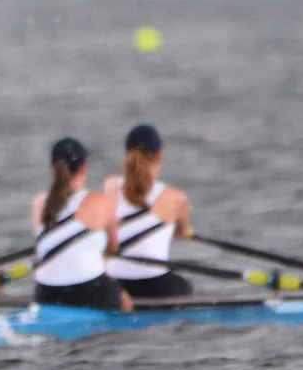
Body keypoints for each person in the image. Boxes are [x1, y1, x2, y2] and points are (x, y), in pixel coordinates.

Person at [30, 136, 130, 311]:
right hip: (90, 290)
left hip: (46, 292)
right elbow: (112, 248)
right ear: (83, 167)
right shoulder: (99, 201)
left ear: (52, 168)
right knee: (126, 301)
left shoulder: (39, 204)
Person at [104, 123, 193, 299]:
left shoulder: (110, 185)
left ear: (126, 156)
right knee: (185, 285)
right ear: (159, 156)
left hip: (116, 286)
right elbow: (182, 233)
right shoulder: (176, 196)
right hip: (157, 287)